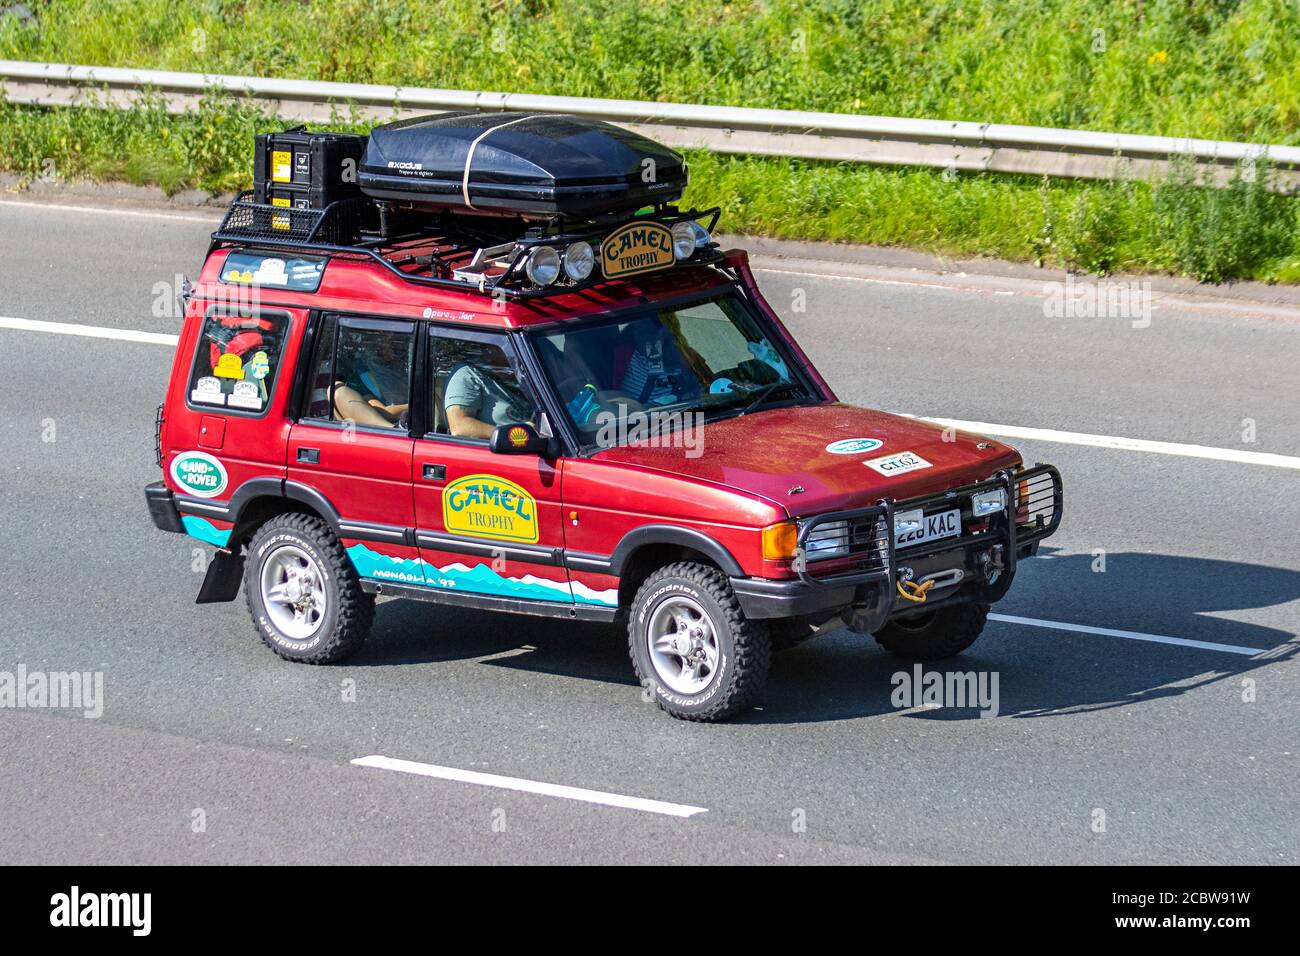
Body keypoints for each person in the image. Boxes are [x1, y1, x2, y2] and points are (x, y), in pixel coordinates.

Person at [443, 359, 533, 439]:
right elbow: (460, 427)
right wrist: (513, 435)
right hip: (499, 451)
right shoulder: (467, 373)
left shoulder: (523, 375)